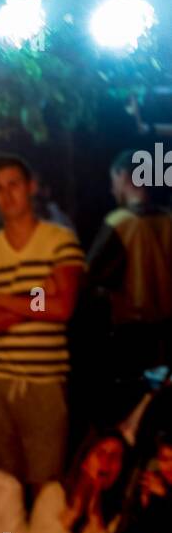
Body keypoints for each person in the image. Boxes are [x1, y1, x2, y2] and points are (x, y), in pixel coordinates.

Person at [0, 155, 85, 490]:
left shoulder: (59, 241)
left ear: (30, 187)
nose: (7, 195)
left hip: (46, 381)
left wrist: (0, 299)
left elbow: (63, 308)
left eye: (13, 184)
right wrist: (36, 297)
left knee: (46, 482)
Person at [88, 149, 172, 384]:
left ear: (123, 175)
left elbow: (89, 277)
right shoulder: (168, 218)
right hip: (166, 330)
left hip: (132, 333)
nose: (111, 189)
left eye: (112, 180)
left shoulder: (120, 222)